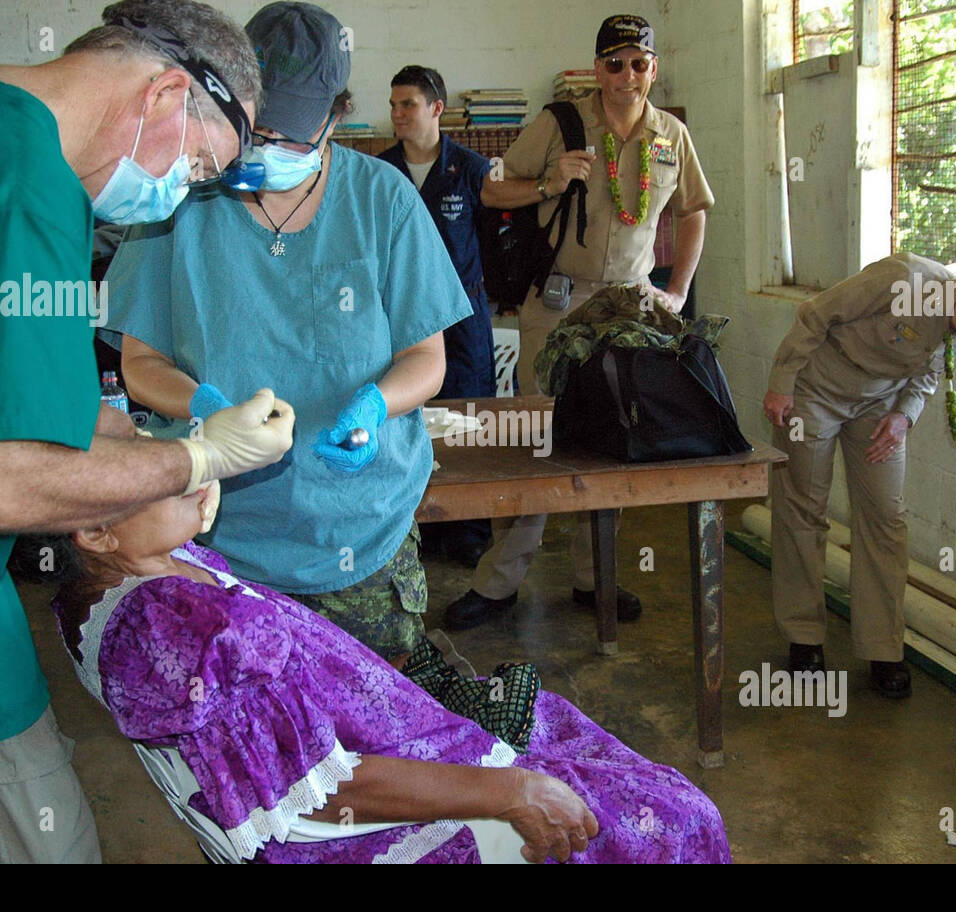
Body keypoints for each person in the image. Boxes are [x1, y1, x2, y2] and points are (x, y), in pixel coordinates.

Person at [0, 0, 295, 864]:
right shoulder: (19, 178)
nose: (172, 200)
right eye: (198, 166)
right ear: (169, 92)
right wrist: (197, 457)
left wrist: (139, 443)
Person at [11, 488, 732, 864]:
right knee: (676, 818)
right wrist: (511, 789)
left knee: (577, 734)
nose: (191, 470)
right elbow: (312, 797)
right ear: (96, 535)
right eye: (159, 475)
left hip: (403, 749)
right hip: (380, 826)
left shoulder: (155, 571)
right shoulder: (169, 630)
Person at [106, 5, 472, 677]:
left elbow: (427, 359)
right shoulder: (181, 205)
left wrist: (375, 405)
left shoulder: (380, 200)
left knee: (374, 726)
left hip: (359, 529)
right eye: (256, 132)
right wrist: (205, 410)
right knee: (250, 729)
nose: (268, 150)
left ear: (337, 115)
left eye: (290, 138)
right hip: (218, 537)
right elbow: (141, 364)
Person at [445, 13, 716, 631]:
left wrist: (676, 289)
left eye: (639, 63)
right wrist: (547, 181)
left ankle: (597, 581)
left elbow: (696, 208)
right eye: (615, 63)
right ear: (597, 69)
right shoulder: (561, 124)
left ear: (654, 68)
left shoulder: (670, 135)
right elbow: (493, 191)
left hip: (628, 309)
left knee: (614, 441)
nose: (627, 76)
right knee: (538, 439)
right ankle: (499, 583)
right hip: (560, 305)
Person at [762, 254, 956, 698]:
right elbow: (817, 313)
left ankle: (882, 645)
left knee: (887, 518)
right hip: (818, 388)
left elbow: (929, 374)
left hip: (881, 404)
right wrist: (782, 381)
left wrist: (905, 416)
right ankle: (804, 638)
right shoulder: (907, 280)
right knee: (804, 509)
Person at [378, 65, 496, 569]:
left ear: (436, 109)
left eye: (408, 104)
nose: (398, 114)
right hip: (401, 313)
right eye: (393, 105)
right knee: (410, 416)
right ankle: (416, 523)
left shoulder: (471, 168)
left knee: (467, 418)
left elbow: (493, 236)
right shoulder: (380, 172)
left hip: (464, 315)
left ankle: (470, 530)